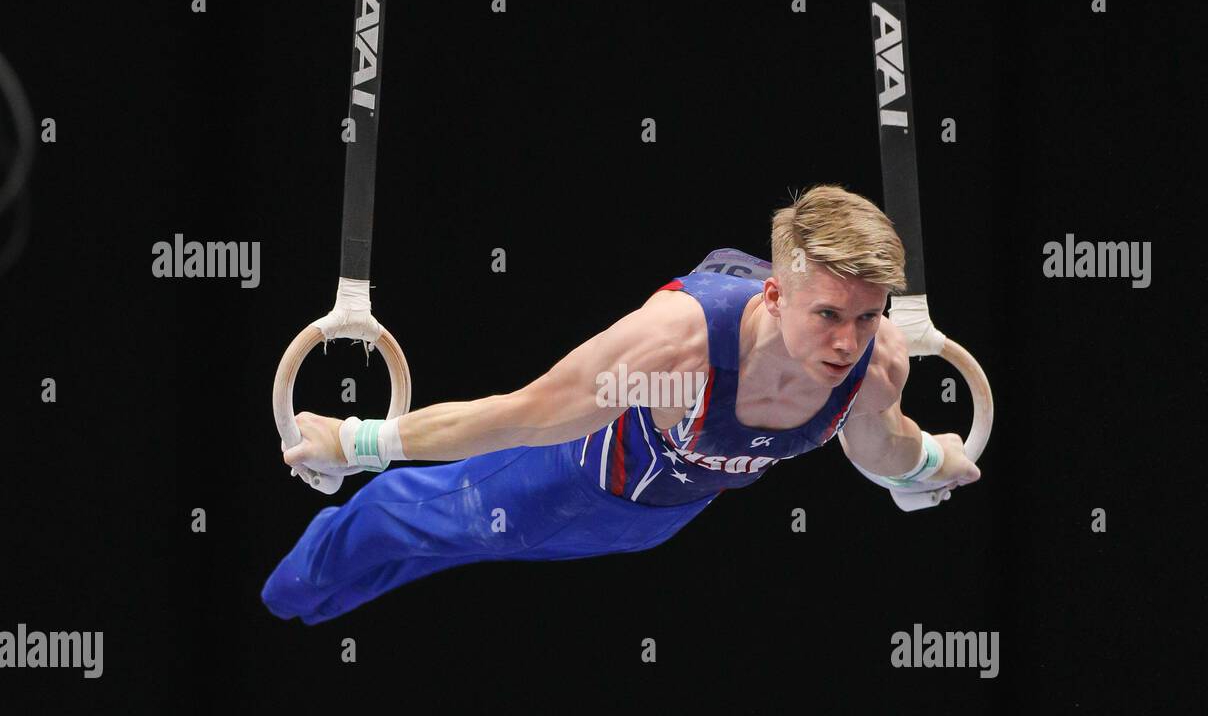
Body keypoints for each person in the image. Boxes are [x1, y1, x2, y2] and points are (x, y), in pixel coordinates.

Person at [261, 185, 981, 625]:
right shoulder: (673, 355)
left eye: (866, 317)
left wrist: (927, 461)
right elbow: (514, 413)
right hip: (570, 480)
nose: (848, 342)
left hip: (666, 514)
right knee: (411, 518)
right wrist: (356, 442)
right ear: (774, 293)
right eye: (828, 315)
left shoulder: (876, 363)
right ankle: (284, 597)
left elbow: (877, 445)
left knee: (439, 544)